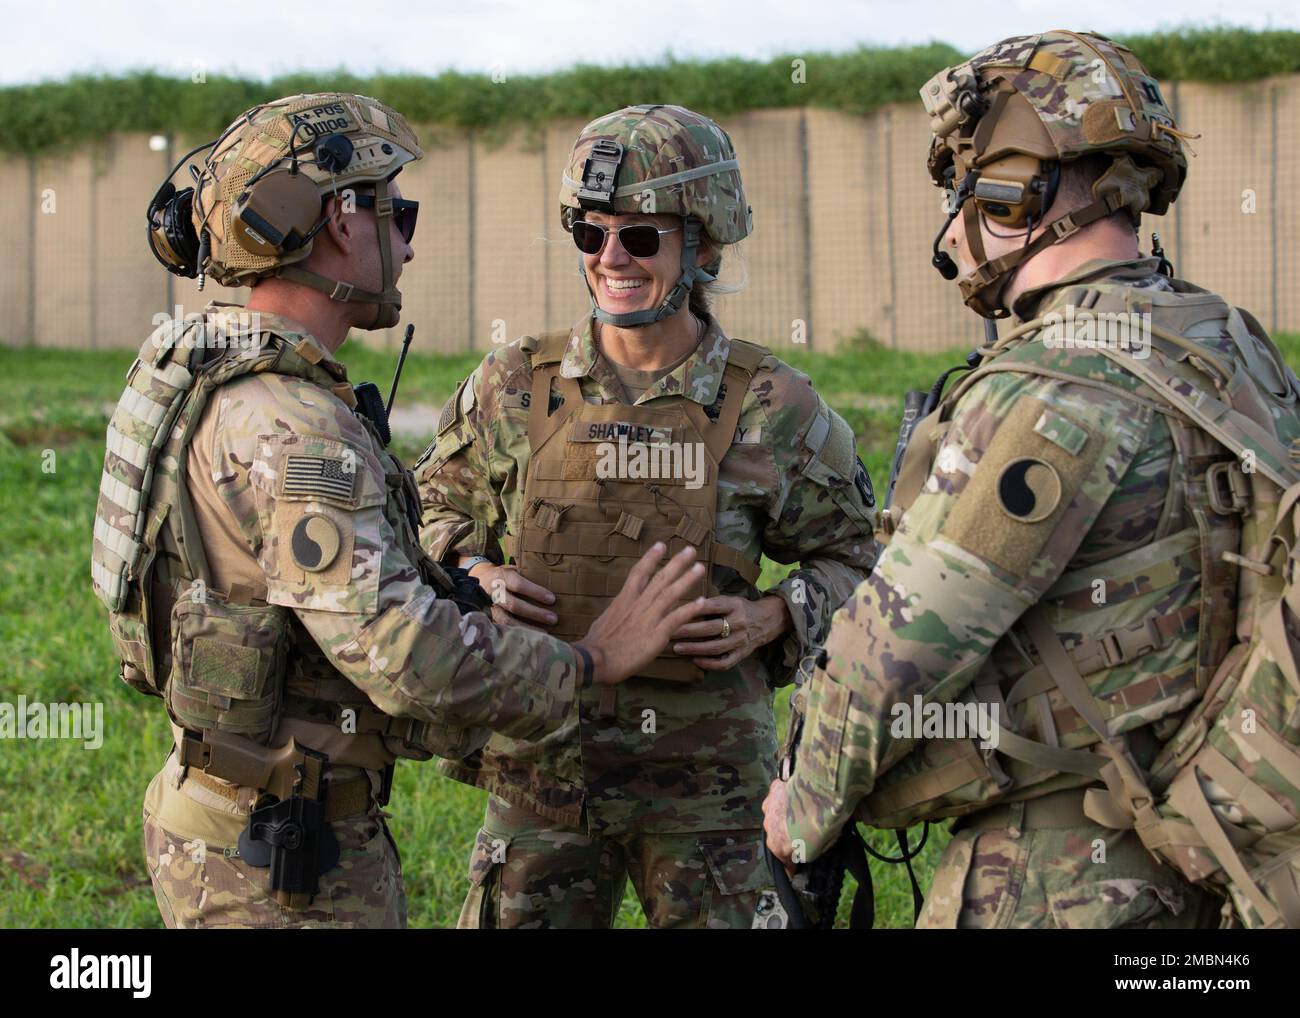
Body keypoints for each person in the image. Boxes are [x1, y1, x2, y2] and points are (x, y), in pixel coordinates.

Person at [92, 92, 710, 929]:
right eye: (399, 213)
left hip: (225, 808)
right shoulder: (296, 428)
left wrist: (459, 575)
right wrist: (594, 660)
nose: (409, 244)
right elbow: (404, 655)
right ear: (342, 220)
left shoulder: (200, 363)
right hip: (282, 856)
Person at [763, 29, 1300, 929]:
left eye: (961, 193)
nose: (952, 227)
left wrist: (801, 806)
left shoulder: (1051, 382)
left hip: (1062, 873)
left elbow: (900, 651)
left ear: (1015, 194)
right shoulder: (1235, 344)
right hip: (1222, 847)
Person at [417, 104, 877, 928]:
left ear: (701, 243)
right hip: (543, 774)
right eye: (590, 235)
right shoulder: (515, 385)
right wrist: (477, 571)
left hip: (707, 793)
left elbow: (866, 567)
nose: (610, 260)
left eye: (639, 237)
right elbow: (424, 510)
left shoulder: (773, 406)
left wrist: (775, 615)